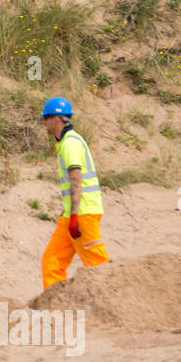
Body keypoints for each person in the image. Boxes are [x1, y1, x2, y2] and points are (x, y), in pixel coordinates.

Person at [39, 96, 109, 290]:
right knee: (51, 262)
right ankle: (56, 308)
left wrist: (74, 215)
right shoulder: (65, 143)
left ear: (56, 118)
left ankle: (114, 306)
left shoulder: (70, 143)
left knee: (98, 267)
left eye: (45, 118)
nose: (44, 123)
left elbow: (76, 178)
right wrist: (68, 214)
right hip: (72, 215)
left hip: (82, 215)